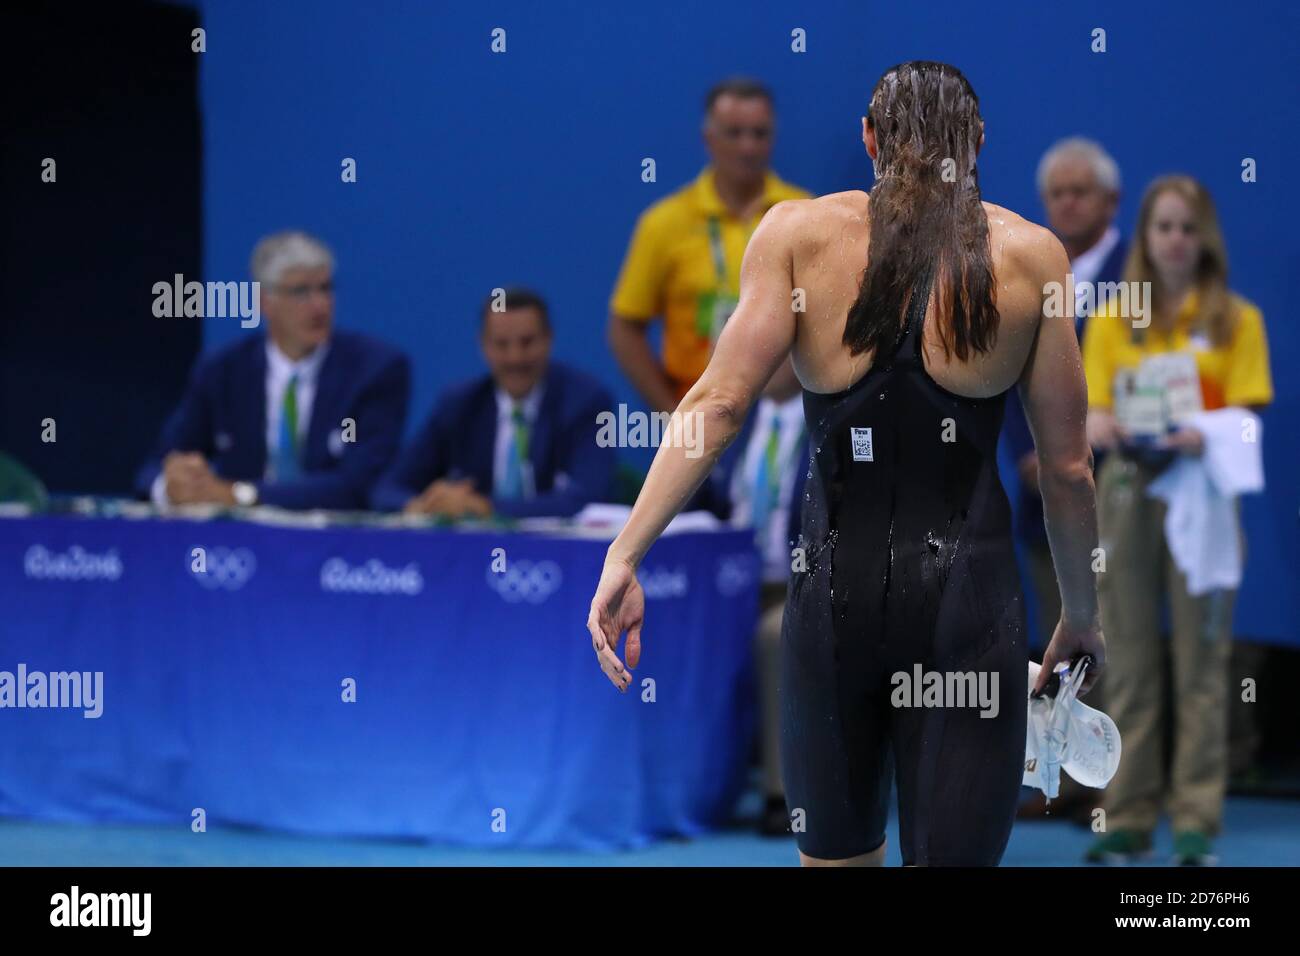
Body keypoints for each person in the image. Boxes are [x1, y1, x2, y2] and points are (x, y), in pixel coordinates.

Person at [587, 61, 1105, 867]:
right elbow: (1068, 470)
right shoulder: (1033, 258)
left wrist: (628, 552)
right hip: (971, 616)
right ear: (978, 145)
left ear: (868, 139)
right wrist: (1081, 615)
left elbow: (715, 406)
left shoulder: (794, 236)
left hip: (831, 611)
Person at [1081, 175, 1273, 866]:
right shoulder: (1112, 319)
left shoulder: (1236, 319)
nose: (1175, 240)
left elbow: (1249, 416)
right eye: (1163, 227)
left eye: (1188, 228)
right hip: (1128, 489)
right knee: (1127, 659)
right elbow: (1093, 407)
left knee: (1202, 663)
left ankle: (1195, 818)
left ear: (1206, 238)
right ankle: (1127, 812)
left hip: (1204, 495)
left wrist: (1210, 432)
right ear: (1146, 236)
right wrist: (1098, 421)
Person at [1007, 137, 1127, 822]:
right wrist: (1035, 457)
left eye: (1083, 192)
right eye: (1057, 193)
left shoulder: (1137, 274)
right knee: (1062, 630)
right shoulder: (1029, 270)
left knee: (1114, 633)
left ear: (1111, 201)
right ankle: (1066, 772)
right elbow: (1009, 377)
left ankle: (1122, 783)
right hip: (1043, 491)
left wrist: (1076, 458)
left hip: (1121, 486)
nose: (1069, 203)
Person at [136, 230, 411, 511]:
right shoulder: (223, 370)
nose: (320, 305)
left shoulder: (374, 369)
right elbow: (154, 467)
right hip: (241, 542)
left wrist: (240, 495)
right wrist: (171, 486)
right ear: (264, 301)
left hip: (336, 542)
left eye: (326, 288)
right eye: (301, 292)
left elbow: (359, 485)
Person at [607, 77, 811, 414]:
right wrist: (672, 415)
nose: (748, 147)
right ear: (708, 139)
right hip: (698, 410)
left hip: (784, 416)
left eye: (759, 134)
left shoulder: (803, 213)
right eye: (734, 133)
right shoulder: (664, 223)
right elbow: (625, 327)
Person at [689, 356, 809, 836]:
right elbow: (699, 500)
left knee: (773, 635)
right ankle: (691, 789)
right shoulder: (731, 422)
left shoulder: (835, 422)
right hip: (728, 589)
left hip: (805, 586)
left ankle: (781, 794)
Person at [369, 288, 615, 518]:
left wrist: (485, 507)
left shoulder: (585, 402)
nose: (515, 357)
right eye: (501, 344)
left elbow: (587, 499)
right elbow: (387, 489)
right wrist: (422, 506)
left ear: (548, 339)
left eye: (527, 342)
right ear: (483, 345)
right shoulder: (459, 405)